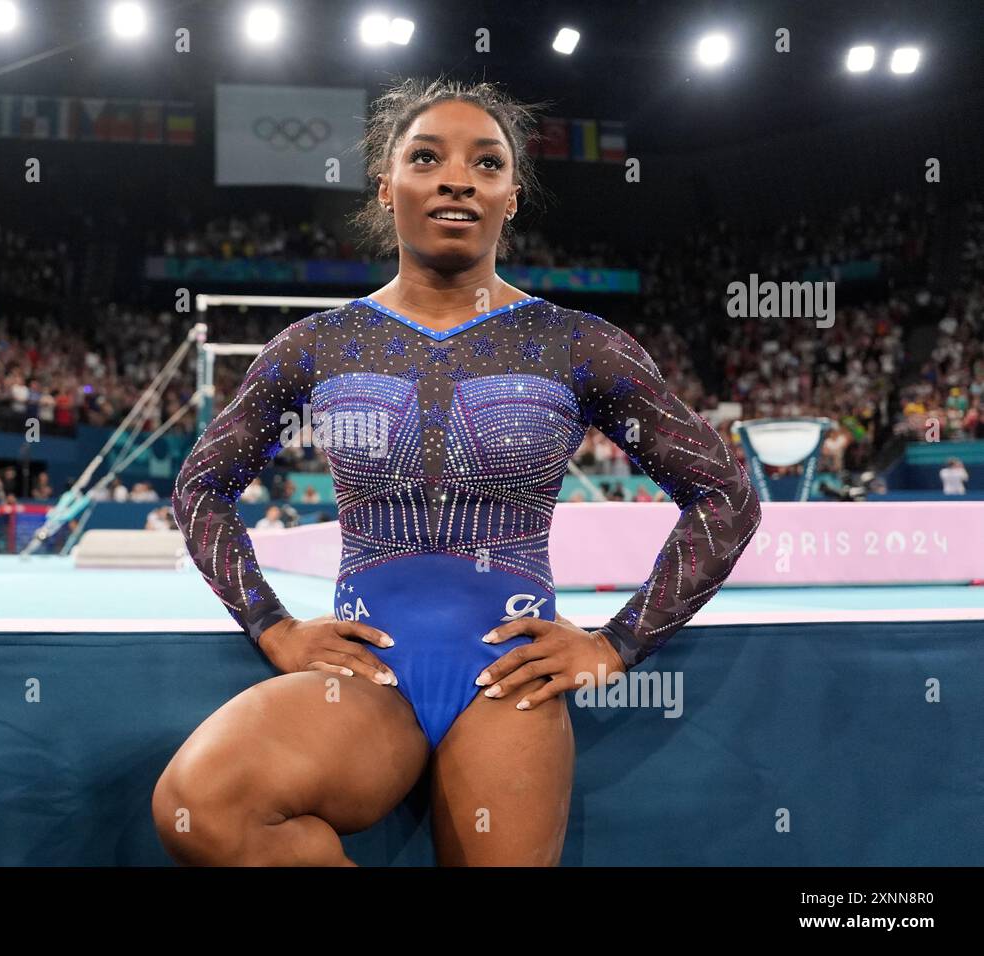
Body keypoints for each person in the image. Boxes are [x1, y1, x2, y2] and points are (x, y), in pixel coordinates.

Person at [155, 79, 761, 867]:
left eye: (486, 163)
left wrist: (615, 645)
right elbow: (200, 487)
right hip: (367, 673)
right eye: (426, 157)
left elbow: (726, 495)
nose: (456, 178)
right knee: (199, 812)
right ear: (386, 186)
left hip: (508, 677)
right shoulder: (315, 346)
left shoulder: (578, 344)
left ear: (511, 197)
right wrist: (272, 626)